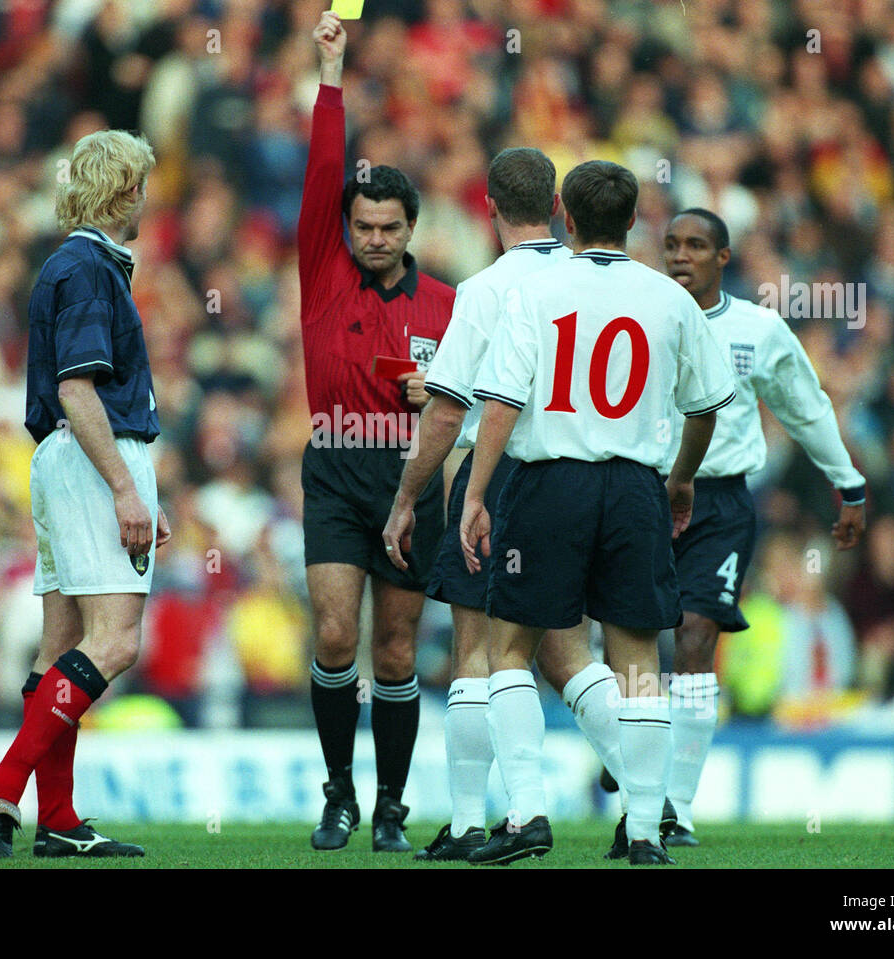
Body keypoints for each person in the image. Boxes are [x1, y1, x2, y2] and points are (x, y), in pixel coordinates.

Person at [459, 161, 735, 865]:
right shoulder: (667, 297)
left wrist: (473, 494)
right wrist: (680, 480)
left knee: (511, 645)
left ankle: (527, 813)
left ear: (566, 217)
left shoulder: (537, 289)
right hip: (637, 487)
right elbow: (708, 405)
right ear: (634, 218)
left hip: (550, 482)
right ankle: (644, 831)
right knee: (638, 656)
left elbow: (501, 401)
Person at [383, 147, 639, 862]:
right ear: (558, 207)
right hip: (590, 477)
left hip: (502, 474)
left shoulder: (488, 289)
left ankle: (474, 820)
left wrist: (409, 498)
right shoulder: (585, 279)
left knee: (480, 648)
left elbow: (448, 412)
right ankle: (653, 790)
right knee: (563, 650)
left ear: (488, 207)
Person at [0, 129, 170, 858]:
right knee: (114, 639)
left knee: (59, 645)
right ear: (124, 190)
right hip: (88, 459)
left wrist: (139, 483)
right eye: (140, 183)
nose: (148, 197)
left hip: (65, 459)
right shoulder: (87, 267)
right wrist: (124, 485)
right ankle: (3, 783)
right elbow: (78, 387)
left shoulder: (76, 263)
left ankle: (58, 817)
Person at [657, 208, 865, 846]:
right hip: (640, 497)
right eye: (671, 245)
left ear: (724, 257)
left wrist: (848, 483)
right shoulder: (636, 320)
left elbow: (805, 407)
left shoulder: (758, 328)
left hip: (720, 505)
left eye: (696, 245)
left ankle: (674, 808)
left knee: (695, 638)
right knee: (629, 646)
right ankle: (628, 757)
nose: (680, 256)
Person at [300, 11, 455, 852]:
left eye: (389, 228)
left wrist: (437, 391)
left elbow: (469, 400)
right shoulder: (322, 268)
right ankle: (338, 793)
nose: (372, 239)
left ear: (411, 229)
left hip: (411, 476)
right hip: (331, 462)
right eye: (362, 225)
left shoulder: (446, 307)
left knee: (395, 650)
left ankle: (391, 803)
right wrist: (331, 71)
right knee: (333, 634)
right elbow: (327, 164)